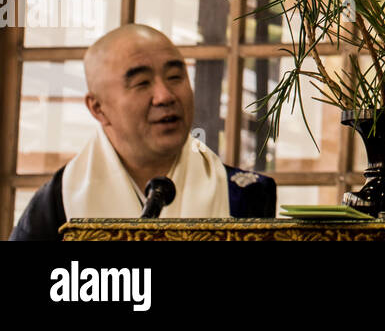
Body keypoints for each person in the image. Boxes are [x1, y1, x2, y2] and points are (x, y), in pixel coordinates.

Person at [9, 24, 275, 241]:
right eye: (141, 83)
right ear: (98, 107)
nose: (164, 96)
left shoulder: (244, 195)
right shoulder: (59, 203)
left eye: (175, 77)